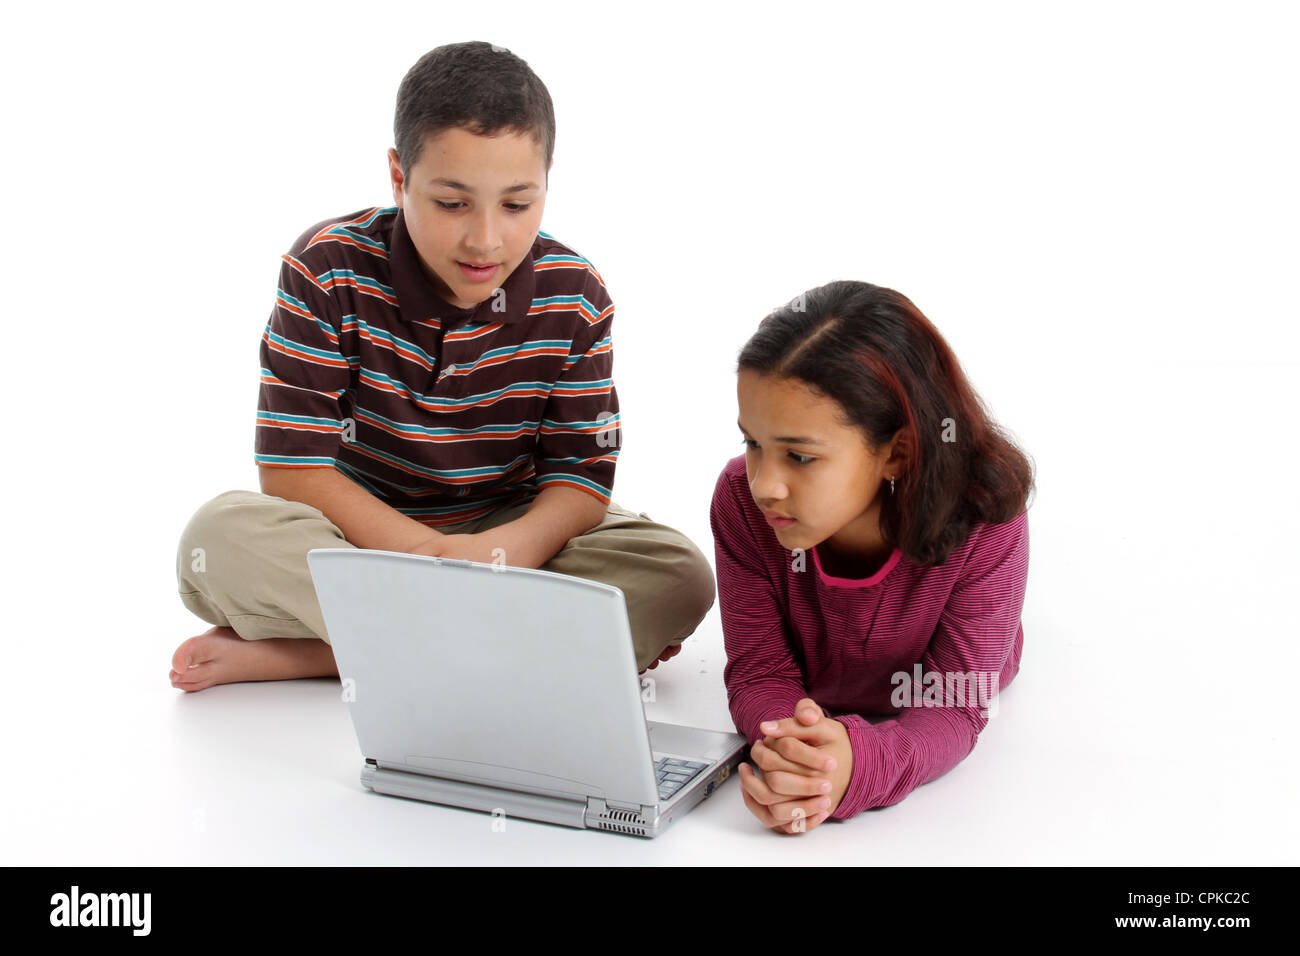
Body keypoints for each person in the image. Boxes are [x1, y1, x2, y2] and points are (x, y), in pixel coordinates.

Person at [171, 41, 714, 692]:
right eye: (453, 203)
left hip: (507, 534)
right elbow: (294, 469)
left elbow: (579, 480)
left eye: (517, 204)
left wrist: (501, 553)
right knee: (217, 540)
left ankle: (327, 656)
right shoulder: (325, 269)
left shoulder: (576, 293)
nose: (486, 239)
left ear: (547, 180)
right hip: (360, 535)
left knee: (677, 574)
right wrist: (429, 556)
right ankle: (529, 647)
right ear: (399, 178)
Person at [710, 280, 1035, 833]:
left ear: (898, 452)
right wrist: (797, 757)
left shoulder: (986, 518)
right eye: (753, 442)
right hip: (814, 706)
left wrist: (854, 767)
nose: (765, 484)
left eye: (801, 456)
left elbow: (953, 707)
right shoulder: (742, 499)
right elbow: (759, 669)